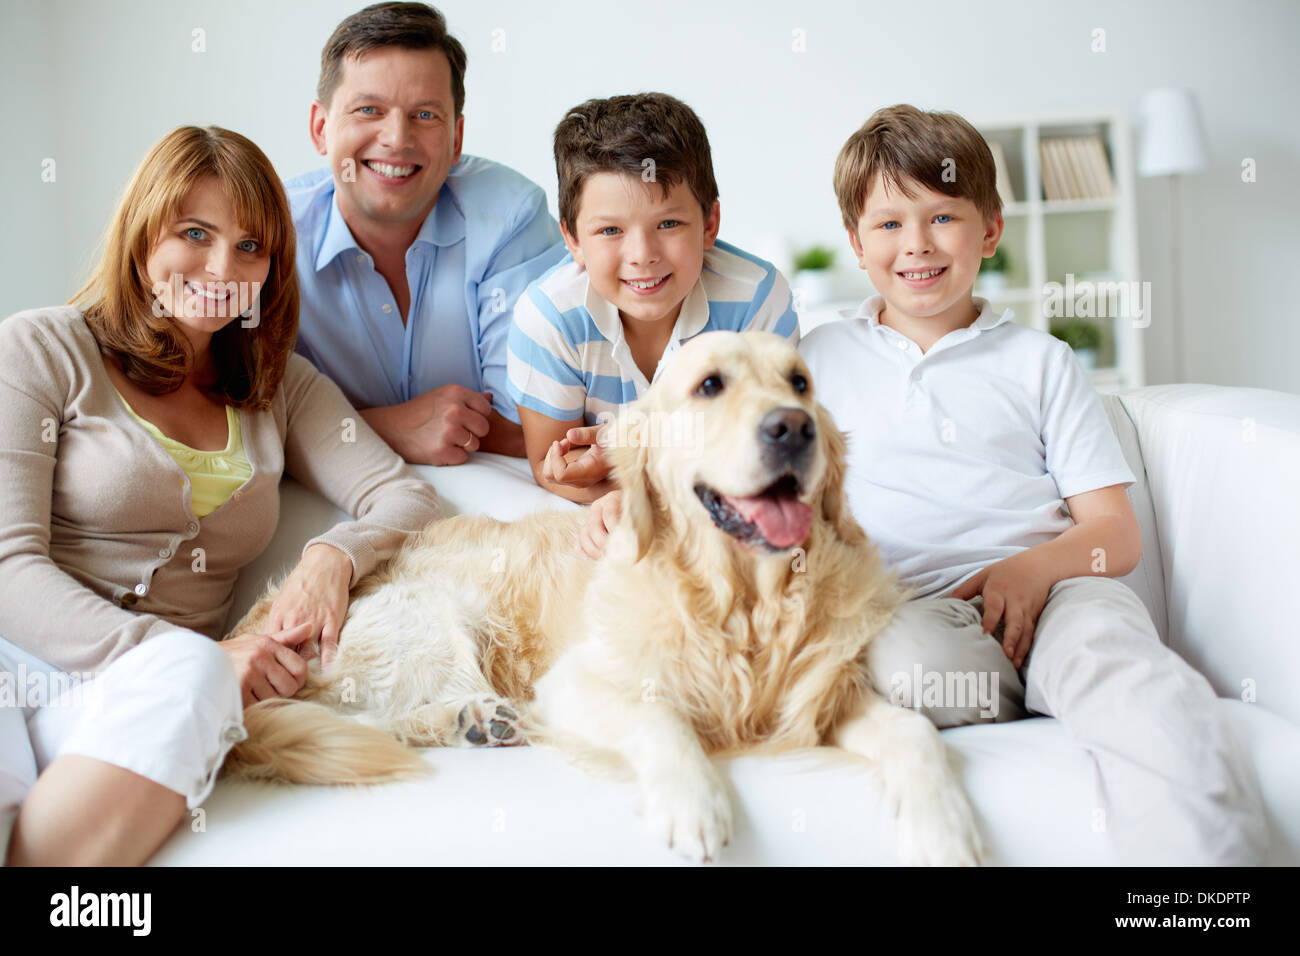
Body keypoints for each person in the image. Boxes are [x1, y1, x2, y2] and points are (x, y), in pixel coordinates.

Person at [797, 104, 1269, 864]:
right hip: (918, 608)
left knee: (1132, 683)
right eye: (888, 225)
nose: (916, 244)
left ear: (989, 229)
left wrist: (1035, 567)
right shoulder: (816, 356)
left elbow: (1114, 534)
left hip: (1060, 594)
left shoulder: (1039, 360)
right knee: (905, 666)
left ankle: (1208, 894)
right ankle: (1021, 686)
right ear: (856, 243)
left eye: (943, 216)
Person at [0, 125, 442, 866]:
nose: (221, 267)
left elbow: (404, 498)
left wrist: (332, 556)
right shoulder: (43, 349)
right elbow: (8, 568)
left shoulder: (282, 387)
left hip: (149, 698)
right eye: (194, 233)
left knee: (198, 675)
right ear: (144, 240)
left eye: (250, 247)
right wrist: (169, 651)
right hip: (17, 659)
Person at [507, 93, 799, 552]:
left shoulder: (756, 298)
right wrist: (626, 497)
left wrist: (637, 475)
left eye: (668, 224)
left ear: (709, 223)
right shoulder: (548, 317)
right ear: (572, 239)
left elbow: (762, 451)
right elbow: (551, 465)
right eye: (610, 230)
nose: (642, 255)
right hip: (607, 505)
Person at [288, 1, 565, 467]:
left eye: (425, 115)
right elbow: (239, 421)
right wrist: (390, 427)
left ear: (456, 138)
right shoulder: (268, 236)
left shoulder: (511, 216)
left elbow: (533, 425)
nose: (397, 138)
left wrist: (332, 425)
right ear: (321, 128)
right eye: (368, 109)